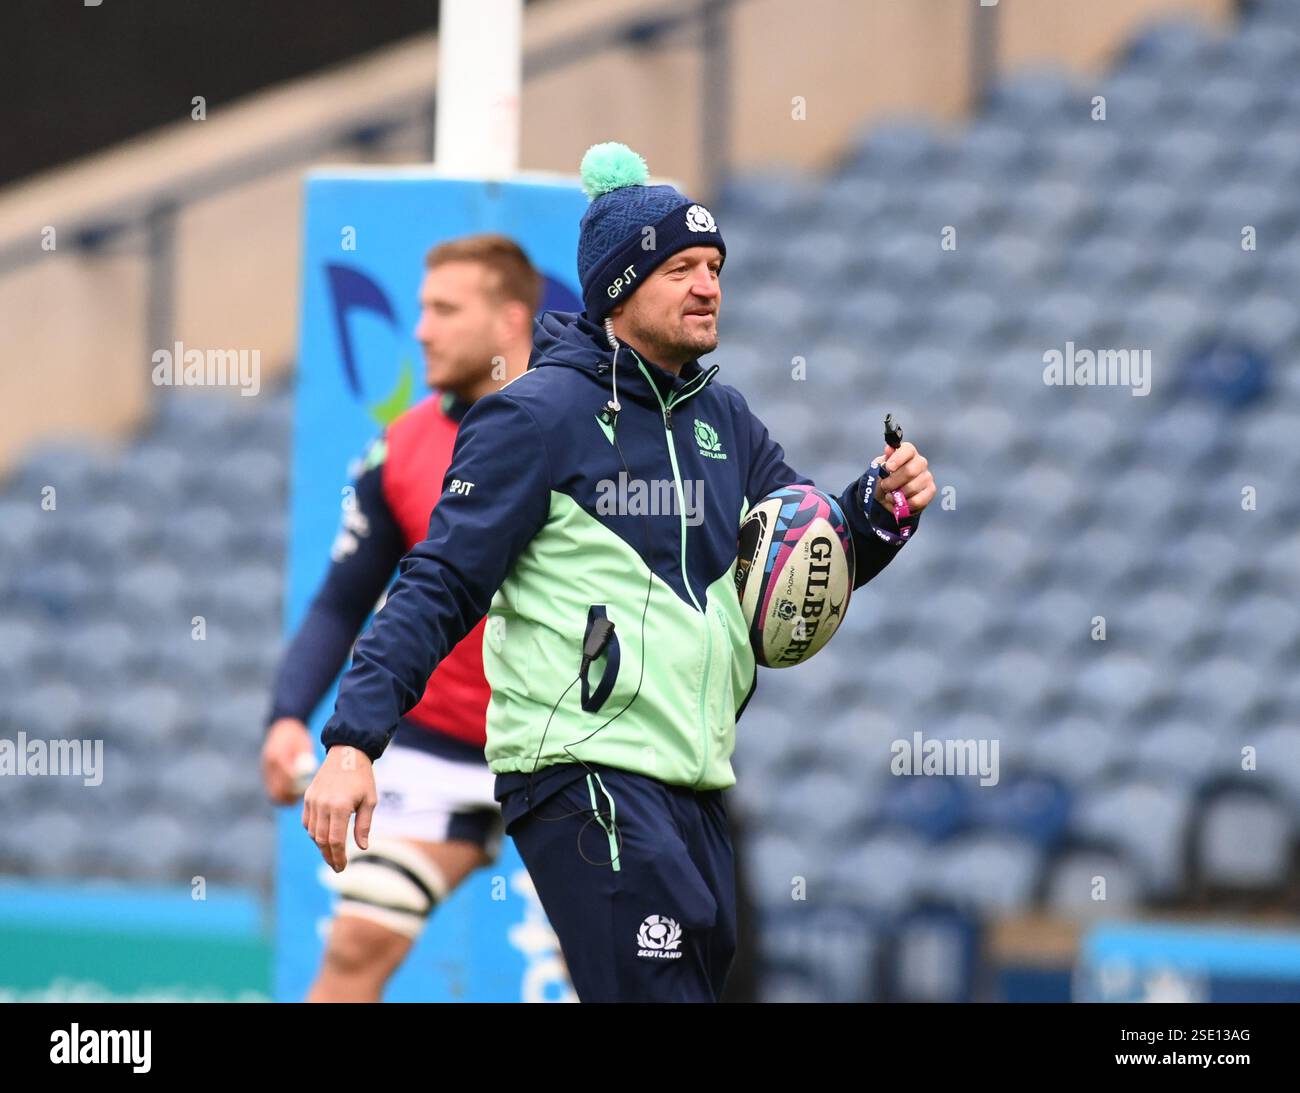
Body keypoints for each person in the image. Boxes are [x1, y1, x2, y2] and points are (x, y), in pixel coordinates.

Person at [303, 142, 935, 1002]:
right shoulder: (535, 415)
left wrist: (880, 509)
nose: (709, 284)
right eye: (681, 267)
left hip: (696, 779)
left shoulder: (726, 418)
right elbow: (440, 582)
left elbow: (803, 560)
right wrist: (351, 740)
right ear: (618, 286)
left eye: (714, 266)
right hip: (584, 775)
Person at [262, 234, 552, 1002]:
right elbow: (340, 599)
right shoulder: (402, 446)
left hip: (576, 745)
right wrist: (289, 711)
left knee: (620, 977)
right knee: (355, 949)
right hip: (442, 747)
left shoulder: (589, 428)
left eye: (445, 310)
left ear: (509, 319)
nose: (420, 329)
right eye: (421, 309)